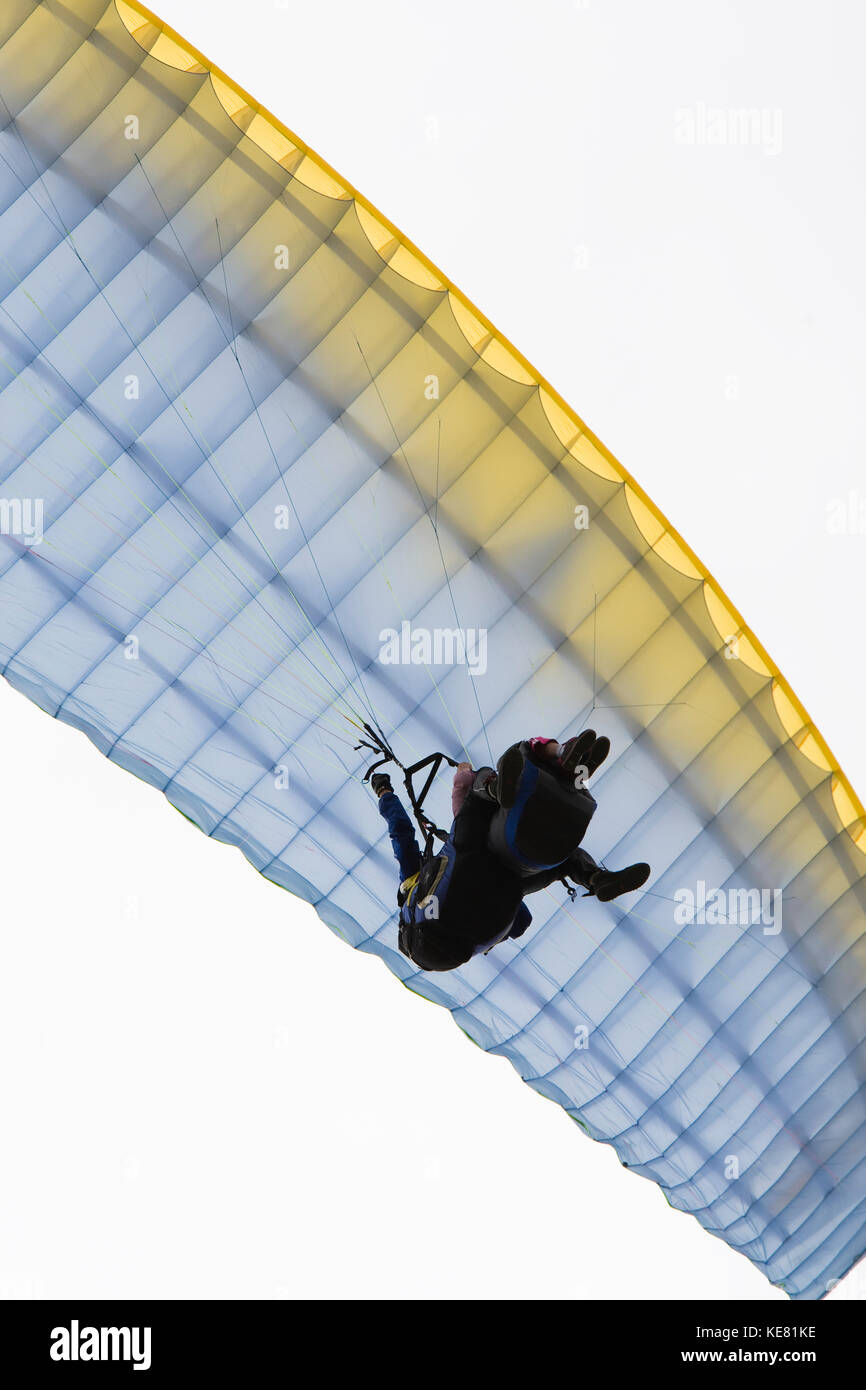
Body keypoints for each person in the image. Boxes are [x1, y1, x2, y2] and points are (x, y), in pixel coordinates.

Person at [373, 732, 650, 972]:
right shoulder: (410, 885)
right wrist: (385, 792)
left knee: (566, 861)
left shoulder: (476, 942)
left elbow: (522, 922)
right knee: (473, 797)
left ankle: (597, 879)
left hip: (512, 886)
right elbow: (401, 833)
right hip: (469, 858)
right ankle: (494, 788)